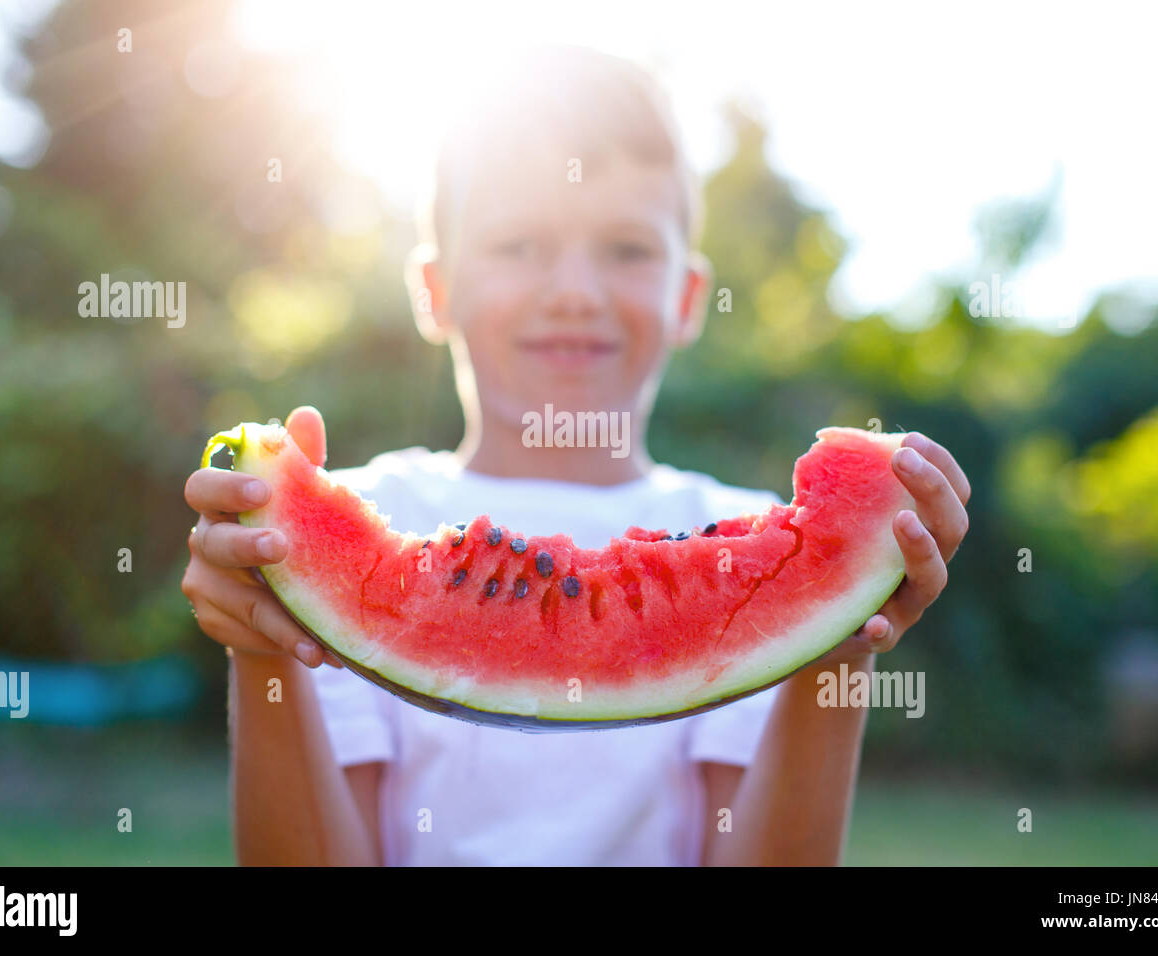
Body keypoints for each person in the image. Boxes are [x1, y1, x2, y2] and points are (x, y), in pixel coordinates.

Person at [180, 44, 971, 865]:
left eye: (627, 250)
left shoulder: (735, 538)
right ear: (436, 290)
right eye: (518, 245)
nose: (574, 292)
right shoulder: (360, 523)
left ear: (687, 297)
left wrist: (835, 641)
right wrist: (262, 652)